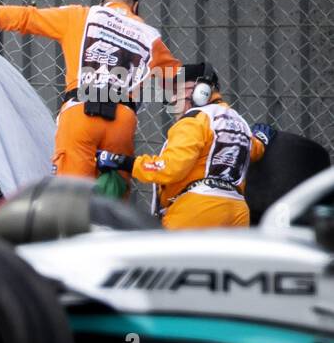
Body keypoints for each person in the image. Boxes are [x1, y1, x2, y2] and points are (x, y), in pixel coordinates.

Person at [0, 0, 181, 190]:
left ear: (103, 2)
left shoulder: (80, 15)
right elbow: (177, 86)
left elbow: (24, 18)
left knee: (71, 200)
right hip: (122, 119)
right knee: (112, 199)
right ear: (136, 7)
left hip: (80, 113)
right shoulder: (150, 36)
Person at [97, 62, 270, 228]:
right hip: (238, 211)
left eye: (177, 90)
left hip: (198, 208)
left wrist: (125, 162)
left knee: (165, 258)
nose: (173, 98)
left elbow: (170, 168)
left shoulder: (194, 120)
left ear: (202, 90)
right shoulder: (239, 122)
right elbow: (255, 149)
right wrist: (261, 139)